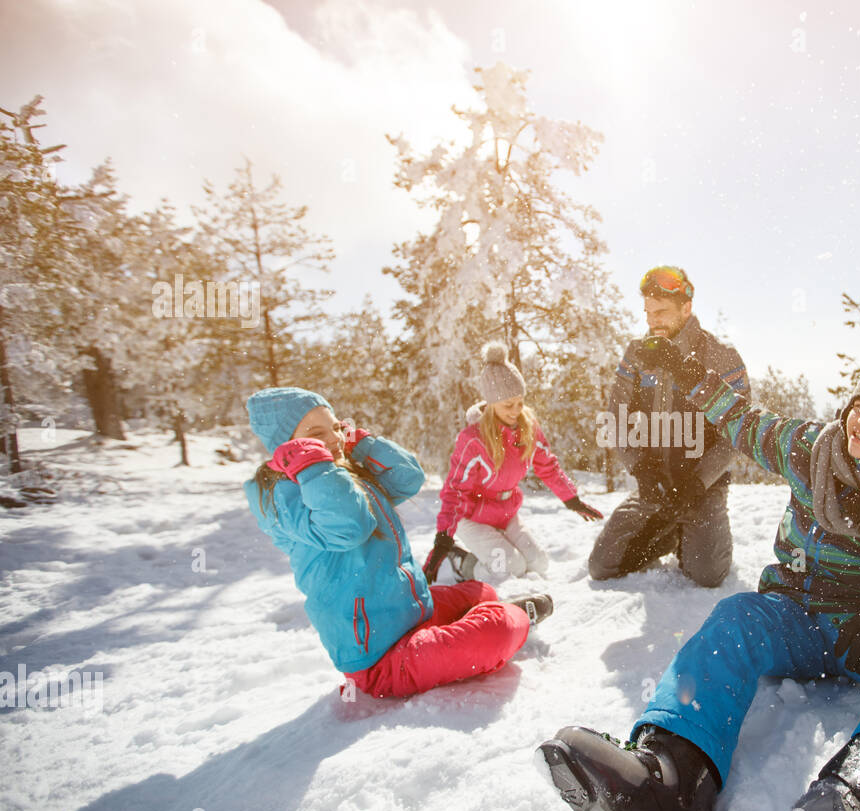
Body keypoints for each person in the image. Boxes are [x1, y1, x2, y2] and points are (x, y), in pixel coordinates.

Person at [539, 344, 860, 811]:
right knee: (736, 615)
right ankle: (669, 783)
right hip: (792, 619)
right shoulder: (808, 449)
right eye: (859, 407)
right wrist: (694, 373)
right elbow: (741, 420)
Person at [244, 386, 551, 699]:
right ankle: (511, 621)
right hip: (381, 657)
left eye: (336, 428)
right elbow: (349, 527)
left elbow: (409, 478)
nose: (335, 438)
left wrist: (361, 445)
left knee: (481, 591)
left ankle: (485, 619)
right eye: (316, 433)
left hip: (414, 611)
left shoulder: (342, 473)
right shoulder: (285, 496)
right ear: (287, 448)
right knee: (496, 631)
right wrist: (314, 467)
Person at [587, 265, 749, 587]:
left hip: (700, 488)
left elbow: (736, 431)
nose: (651, 321)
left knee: (706, 575)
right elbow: (615, 416)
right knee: (602, 566)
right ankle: (667, 530)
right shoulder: (635, 353)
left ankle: (695, 529)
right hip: (655, 484)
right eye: (648, 312)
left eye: (660, 312)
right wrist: (641, 467)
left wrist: (699, 482)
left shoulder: (722, 356)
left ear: (686, 308)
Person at [424, 343, 603, 584]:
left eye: (520, 402)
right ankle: (461, 562)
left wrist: (572, 499)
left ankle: (497, 549)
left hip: (505, 513)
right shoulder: (473, 439)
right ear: (490, 404)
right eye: (508, 405)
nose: (516, 411)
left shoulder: (527, 427)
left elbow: (547, 466)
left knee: (540, 563)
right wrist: (443, 538)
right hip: (472, 517)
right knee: (507, 569)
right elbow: (455, 490)